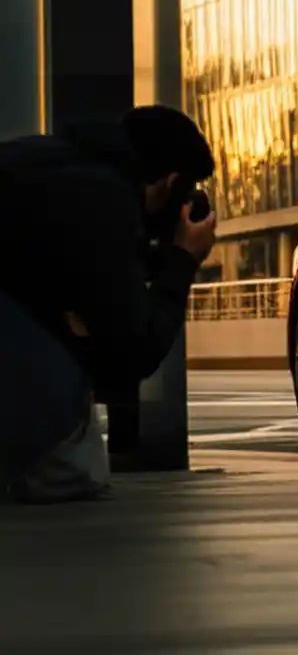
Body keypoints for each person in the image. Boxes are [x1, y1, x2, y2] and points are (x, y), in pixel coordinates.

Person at [0, 105, 217, 503]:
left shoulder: (47, 165)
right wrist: (182, 260)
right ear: (169, 184)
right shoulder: (103, 199)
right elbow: (133, 352)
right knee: (78, 469)